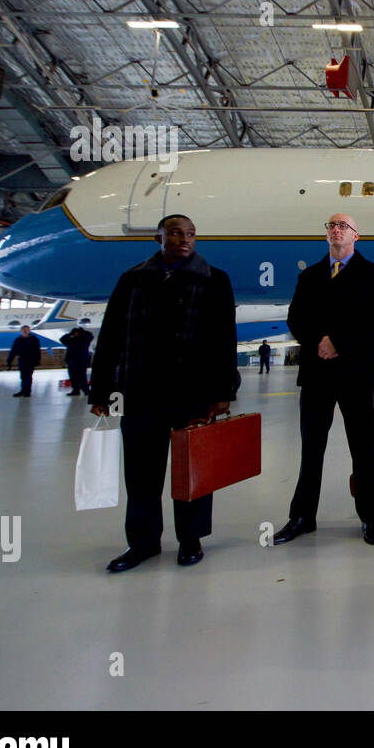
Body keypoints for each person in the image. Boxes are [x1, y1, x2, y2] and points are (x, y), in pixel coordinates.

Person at [89, 214, 238, 571]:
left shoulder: (215, 280)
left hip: (193, 393)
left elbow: (224, 339)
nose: (184, 240)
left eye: (190, 234)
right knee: (141, 476)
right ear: (158, 238)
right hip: (141, 393)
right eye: (175, 233)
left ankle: (191, 540)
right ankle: (142, 544)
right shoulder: (133, 279)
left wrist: (224, 391)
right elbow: (110, 336)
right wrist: (101, 390)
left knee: (194, 475)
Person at [273, 212, 374, 546]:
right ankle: (302, 516)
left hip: (355, 374)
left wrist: (336, 341)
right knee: (311, 449)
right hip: (316, 374)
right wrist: (318, 344)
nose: (336, 230)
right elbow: (296, 318)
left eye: (343, 226)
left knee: (361, 448)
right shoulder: (309, 277)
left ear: (357, 236)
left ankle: (370, 517)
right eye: (331, 226)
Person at [6, 324, 41, 397]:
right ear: (21, 331)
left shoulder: (34, 339)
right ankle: (23, 390)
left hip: (30, 360)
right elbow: (13, 351)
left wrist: (37, 360)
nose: (25, 331)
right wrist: (9, 361)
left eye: (27, 330)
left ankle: (27, 391)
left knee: (28, 376)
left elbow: (37, 351)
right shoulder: (18, 340)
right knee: (22, 376)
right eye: (24, 330)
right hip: (22, 360)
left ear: (29, 331)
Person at [60, 326, 93, 396]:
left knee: (82, 376)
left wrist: (82, 331)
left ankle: (86, 390)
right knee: (73, 377)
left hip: (82, 361)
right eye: (75, 333)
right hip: (72, 361)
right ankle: (75, 390)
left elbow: (90, 336)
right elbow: (62, 339)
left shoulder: (84, 339)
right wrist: (70, 334)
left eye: (77, 333)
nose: (76, 334)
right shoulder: (70, 340)